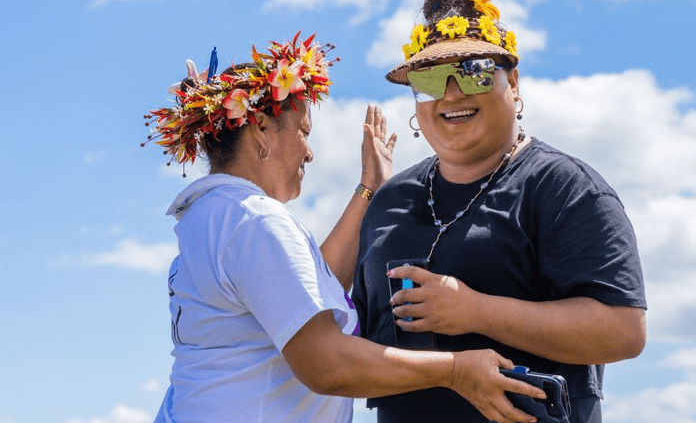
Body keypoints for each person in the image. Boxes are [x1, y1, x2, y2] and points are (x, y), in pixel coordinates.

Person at [142, 32, 547, 423]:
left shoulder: (214, 215)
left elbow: (306, 293)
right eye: (303, 132)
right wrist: (456, 370)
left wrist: (369, 187)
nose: (310, 152)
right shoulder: (254, 220)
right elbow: (325, 364)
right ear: (261, 127)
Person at [351, 0, 648, 423]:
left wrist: (474, 311)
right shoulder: (391, 200)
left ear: (512, 79)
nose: (450, 93)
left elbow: (623, 330)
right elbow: (361, 342)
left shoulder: (563, 187)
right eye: (429, 78)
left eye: (472, 72)